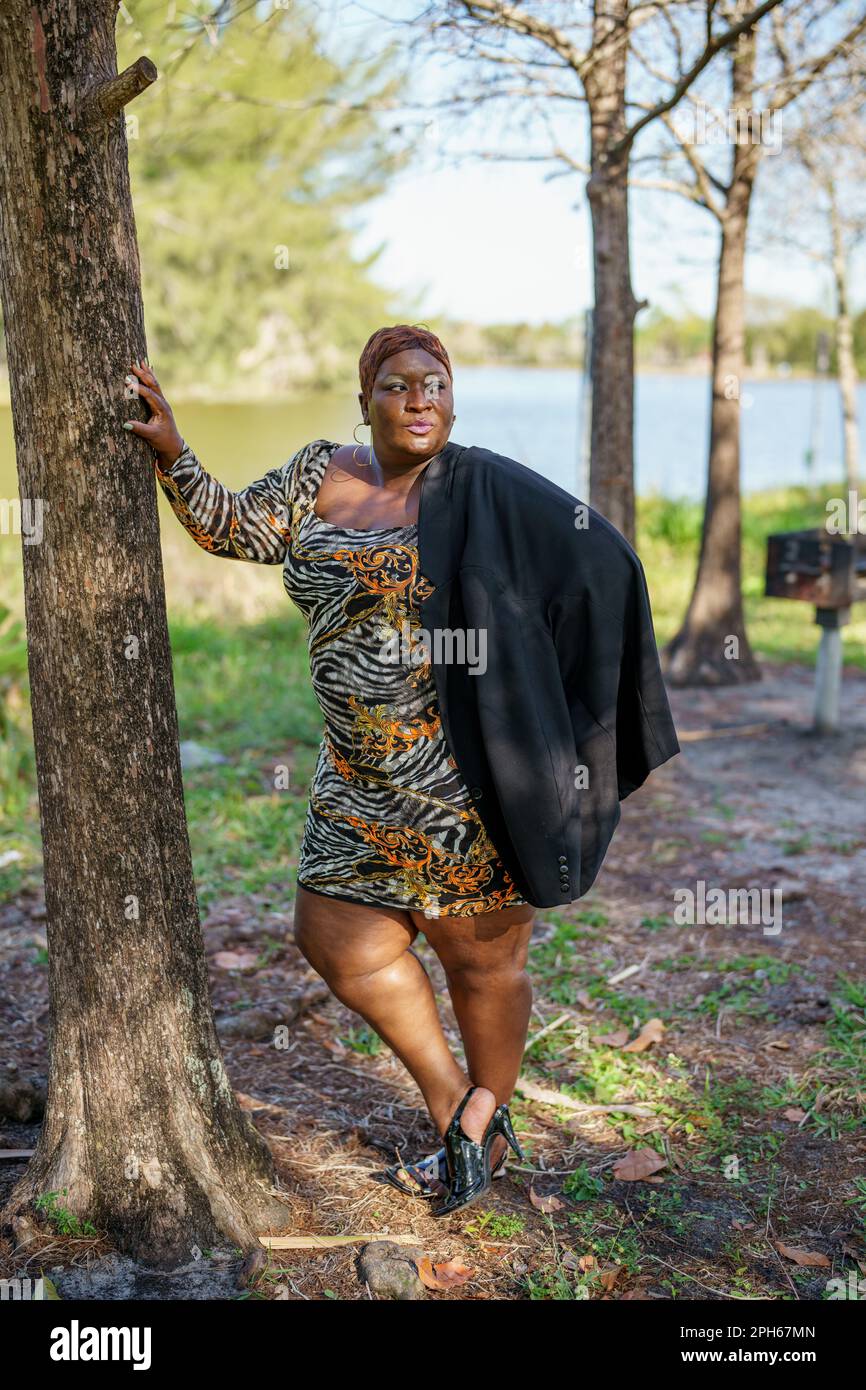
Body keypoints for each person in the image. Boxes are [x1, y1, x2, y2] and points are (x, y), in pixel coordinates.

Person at [121, 322, 670, 1216]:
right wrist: (176, 454)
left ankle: (484, 1117)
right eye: (399, 385)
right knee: (337, 939)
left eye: (437, 385)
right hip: (355, 777)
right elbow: (232, 529)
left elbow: (604, 564)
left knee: (480, 961)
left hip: (464, 781)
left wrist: (560, 709)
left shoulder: (482, 486)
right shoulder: (315, 474)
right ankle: (457, 1104)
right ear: (365, 397)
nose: (420, 400)